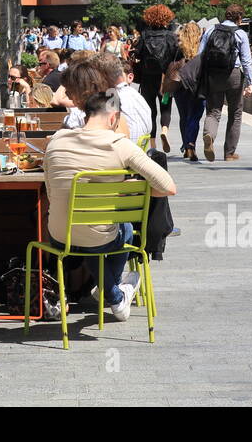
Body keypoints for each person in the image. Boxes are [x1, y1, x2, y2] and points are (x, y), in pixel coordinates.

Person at [43, 90, 177, 321]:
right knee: (118, 226)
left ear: (86, 114)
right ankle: (112, 294)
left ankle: (112, 293)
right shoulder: (119, 145)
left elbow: (49, 190)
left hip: (58, 235)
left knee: (92, 226)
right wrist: (133, 191)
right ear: (114, 118)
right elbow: (168, 186)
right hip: (99, 238)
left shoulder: (56, 140)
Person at [197, 5, 252, 161]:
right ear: (239, 18)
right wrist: (250, 82)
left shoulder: (211, 30)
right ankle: (229, 153)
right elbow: (246, 61)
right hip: (233, 75)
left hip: (213, 75)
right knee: (235, 113)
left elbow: (200, 54)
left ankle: (209, 135)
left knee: (213, 111)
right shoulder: (240, 33)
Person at [133, 4, 179, 150]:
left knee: (150, 110)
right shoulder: (170, 36)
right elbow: (177, 55)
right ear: (167, 18)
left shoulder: (144, 35)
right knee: (165, 106)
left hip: (147, 78)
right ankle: (164, 130)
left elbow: (137, 54)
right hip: (164, 78)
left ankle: (152, 144)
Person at [172, 21, 206, 162]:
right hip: (198, 85)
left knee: (183, 116)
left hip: (180, 85)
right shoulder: (202, 48)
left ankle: (186, 147)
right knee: (195, 117)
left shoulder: (178, 48)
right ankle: (191, 144)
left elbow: (172, 66)